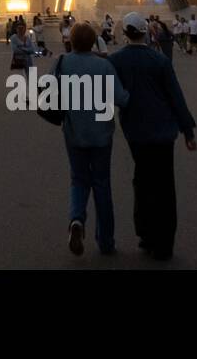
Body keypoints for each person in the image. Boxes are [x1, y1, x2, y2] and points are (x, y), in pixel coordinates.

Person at [109, 12, 197, 261]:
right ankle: (164, 244)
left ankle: (146, 235)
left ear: (125, 33)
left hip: (135, 132)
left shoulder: (117, 60)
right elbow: (176, 97)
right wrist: (188, 131)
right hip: (163, 132)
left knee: (143, 180)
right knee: (164, 186)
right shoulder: (159, 61)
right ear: (146, 31)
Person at [61, 23, 129, 257]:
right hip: (101, 133)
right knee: (102, 184)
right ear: (93, 42)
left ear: (71, 40)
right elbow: (121, 98)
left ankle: (76, 219)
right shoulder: (104, 65)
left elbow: (47, 92)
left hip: (73, 132)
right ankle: (106, 241)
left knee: (78, 180)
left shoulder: (62, 62)